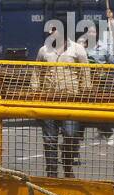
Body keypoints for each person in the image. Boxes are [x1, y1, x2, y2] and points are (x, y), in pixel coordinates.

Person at [33, 23, 92, 178]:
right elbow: (36, 73)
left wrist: (85, 95)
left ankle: (67, 165)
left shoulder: (78, 49)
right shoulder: (43, 50)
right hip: (48, 101)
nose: (51, 32)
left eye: (55, 29)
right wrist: (35, 94)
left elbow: (85, 73)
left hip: (70, 101)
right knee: (49, 140)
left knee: (71, 135)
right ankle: (51, 174)